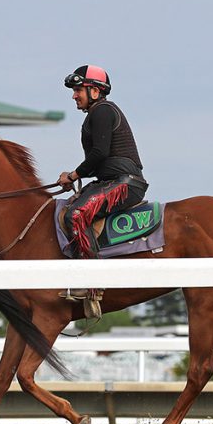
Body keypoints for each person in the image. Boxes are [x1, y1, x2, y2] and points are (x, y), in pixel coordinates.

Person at [57, 65, 148, 317]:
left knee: (75, 215)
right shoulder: (97, 113)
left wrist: (74, 175)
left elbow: (99, 154)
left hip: (125, 183)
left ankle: (92, 285)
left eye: (78, 90)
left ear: (95, 91)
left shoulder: (103, 112)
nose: (74, 96)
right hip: (111, 180)